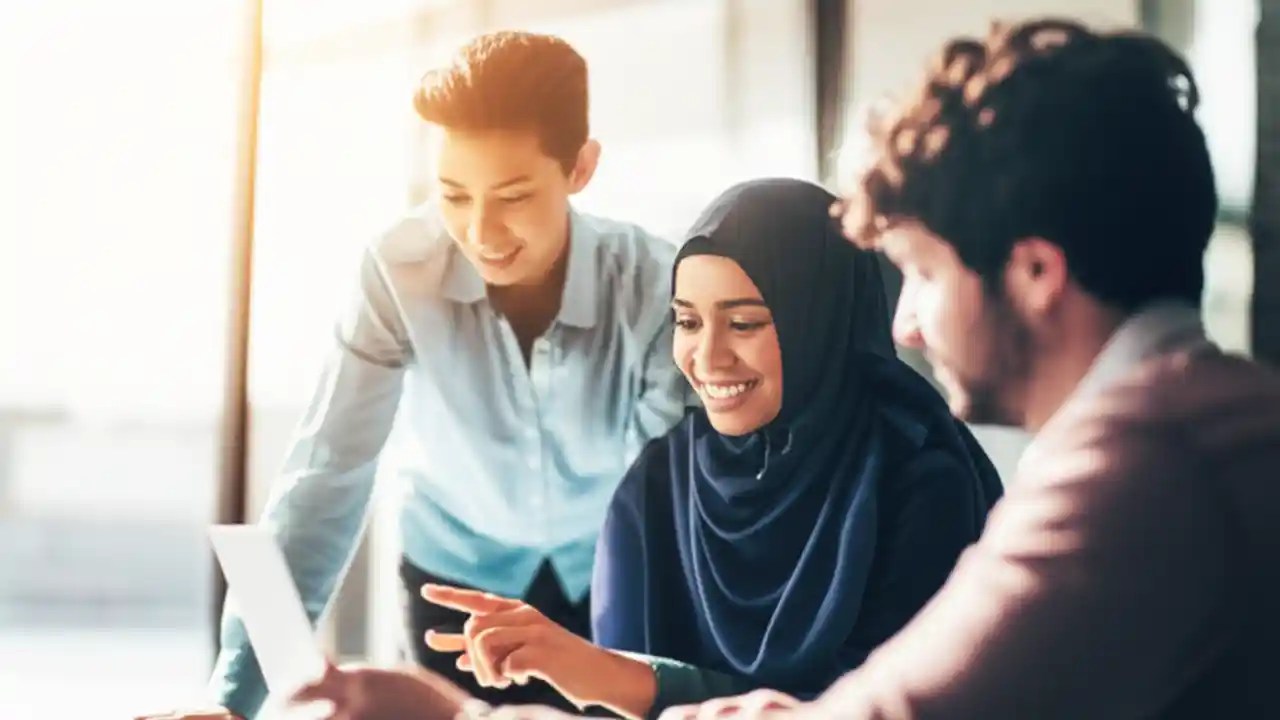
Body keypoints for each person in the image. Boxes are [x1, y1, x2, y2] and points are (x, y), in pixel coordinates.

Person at [659, 17, 1280, 719]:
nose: (907, 326)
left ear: (1036, 273)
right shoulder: (1220, 414)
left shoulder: (1145, 461)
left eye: (924, 273)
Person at [291, 178, 1004, 719]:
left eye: (747, 323)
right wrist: (443, 709)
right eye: (687, 322)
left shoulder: (920, 477)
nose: (706, 357)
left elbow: (863, 710)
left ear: (819, 318)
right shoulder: (660, 483)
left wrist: (612, 675)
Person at [138, 30, 686, 720]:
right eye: (454, 195)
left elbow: (663, 498)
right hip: (449, 577)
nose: (481, 231)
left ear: (580, 168)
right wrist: (234, 701)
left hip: (605, 576)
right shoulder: (397, 271)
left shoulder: (654, 286)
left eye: (513, 196)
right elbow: (325, 478)